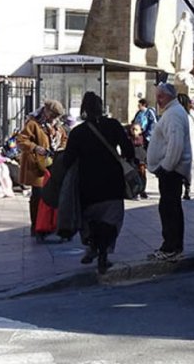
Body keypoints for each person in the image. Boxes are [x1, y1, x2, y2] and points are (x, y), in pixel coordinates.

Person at [63, 92, 135, 274]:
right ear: (101, 107)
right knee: (110, 220)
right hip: (112, 182)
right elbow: (128, 149)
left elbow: (68, 159)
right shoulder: (113, 126)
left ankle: (93, 246)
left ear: (84, 109)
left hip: (88, 183)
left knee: (91, 220)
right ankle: (103, 252)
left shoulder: (78, 132)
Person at [146, 82, 192, 261]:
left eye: (161, 96)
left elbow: (175, 144)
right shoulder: (173, 112)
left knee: (169, 209)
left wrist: (166, 167)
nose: (158, 100)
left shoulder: (173, 114)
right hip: (170, 170)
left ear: (169, 96)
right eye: (157, 96)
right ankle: (172, 245)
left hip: (171, 171)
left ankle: (171, 246)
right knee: (169, 208)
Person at [18, 99, 66, 238]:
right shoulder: (33, 123)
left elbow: (64, 138)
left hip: (52, 164)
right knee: (38, 196)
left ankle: (48, 224)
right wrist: (35, 147)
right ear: (46, 111)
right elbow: (21, 140)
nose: (53, 119)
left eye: (56, 117)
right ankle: (35, 226)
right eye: (52, 115)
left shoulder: (57, 126)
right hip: (36, 165)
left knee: (51, 195)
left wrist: (62, 146)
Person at [177, 94, 194, 200]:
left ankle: (186, 189)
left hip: (184, 145)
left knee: (182, 169)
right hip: (188, 145)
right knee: (186, 169)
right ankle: (186, 188)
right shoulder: (192, 114)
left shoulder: (185, 114)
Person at [128, 123, 149, 199]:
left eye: (136, 129)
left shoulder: (143, 139)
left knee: (142, 176)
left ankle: (142, 191)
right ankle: (136, 191)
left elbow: (147, 148)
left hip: (141, 160)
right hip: (133, 161)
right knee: (135, 177)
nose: (134, 131)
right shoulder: (129, 139)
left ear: (140, 130)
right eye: (133, 129)